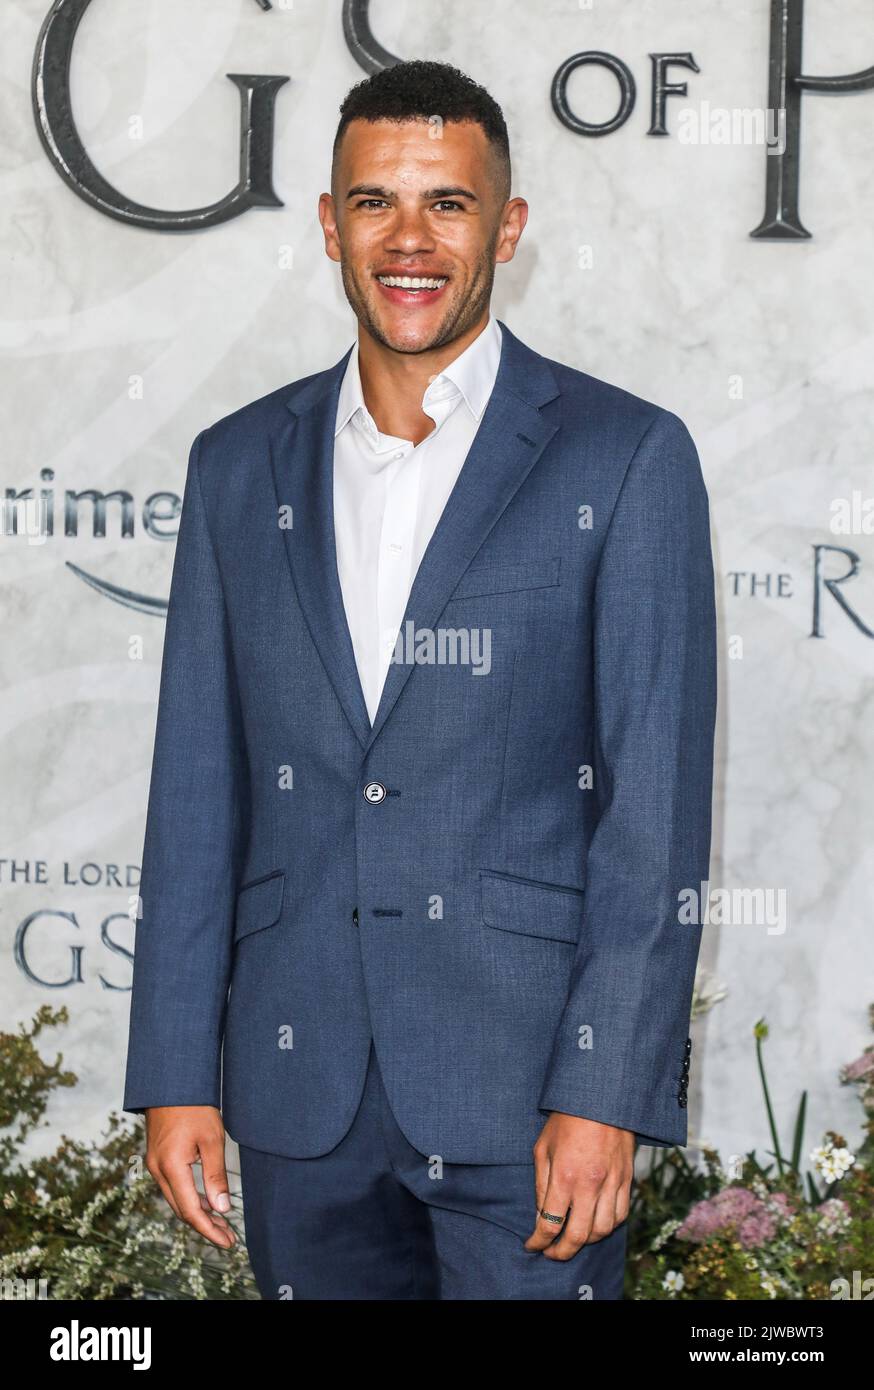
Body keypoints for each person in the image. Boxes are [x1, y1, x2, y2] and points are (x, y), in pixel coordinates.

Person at [123, 59, 717, 1301]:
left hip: (528, 1101)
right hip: (303, 1098)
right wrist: (178, 1068)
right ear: (330, 224)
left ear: (505, 227)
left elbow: (652, 815)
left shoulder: (625, 457)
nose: (410, 238)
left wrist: (603, 1092)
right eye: (376, 202)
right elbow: (194, 795)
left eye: (447, 203)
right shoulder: (237, 466)